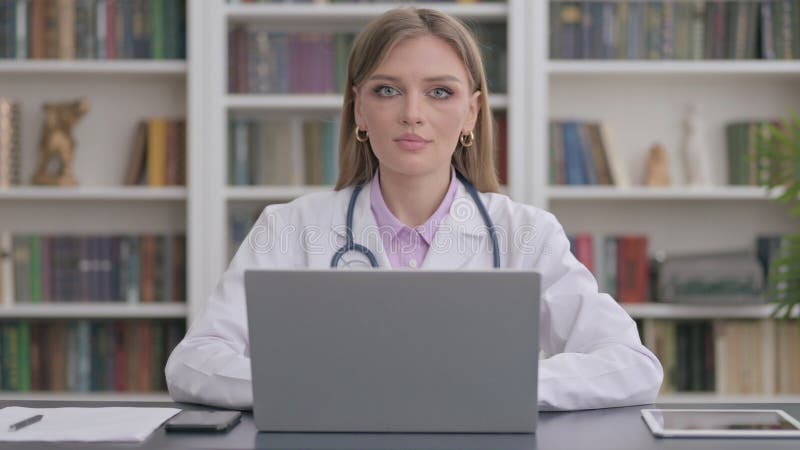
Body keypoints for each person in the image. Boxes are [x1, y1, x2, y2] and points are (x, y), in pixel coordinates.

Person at [165, 7, 663, 411]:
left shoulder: (525, 233)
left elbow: (631, 366)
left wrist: (496, 386)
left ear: (471, 113)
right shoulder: (289, 228)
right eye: (387, 90)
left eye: (440, 92)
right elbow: (193, 364)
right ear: (360, 108)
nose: (412, 114)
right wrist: (322, 387)